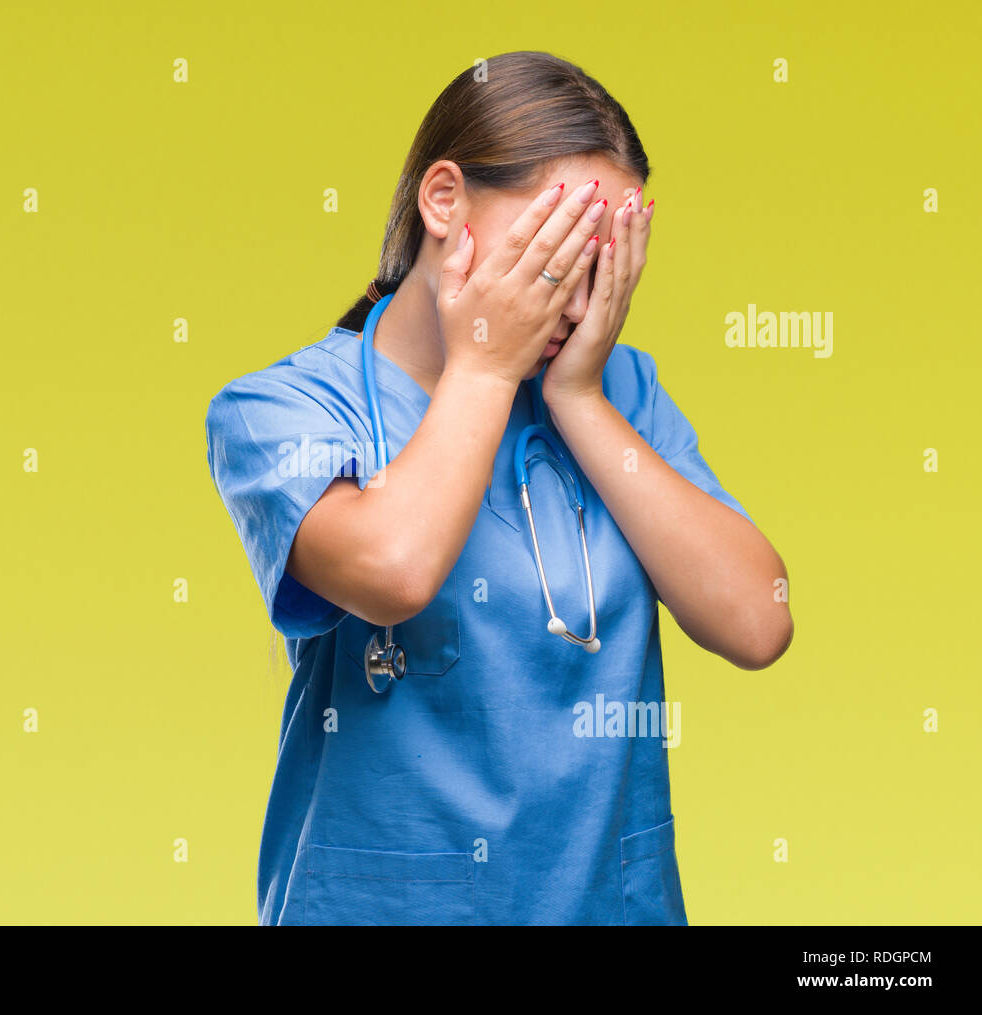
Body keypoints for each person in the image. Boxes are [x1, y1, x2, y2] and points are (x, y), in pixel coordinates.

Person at [204, 50, 793, 925]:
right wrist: (483, 365)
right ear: (444, 201)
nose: (579, 293)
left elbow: (758, 621)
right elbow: (394, 570)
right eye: (556, 246)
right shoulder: (276, 409)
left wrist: (582, 400)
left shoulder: (621, 390)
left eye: (607, 260)